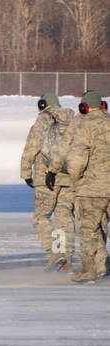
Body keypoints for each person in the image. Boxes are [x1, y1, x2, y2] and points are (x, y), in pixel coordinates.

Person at [53, 91, 110, 283]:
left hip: (92, 188)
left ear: (84, 107)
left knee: (88, 229)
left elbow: (77, 158)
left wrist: (75, 179)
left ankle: (88, 270)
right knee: (102, 227)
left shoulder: (85, 125)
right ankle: (102, 265)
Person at [19, 93, 77, 271]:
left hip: (46, 177)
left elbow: (32, 147)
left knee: (40, 217)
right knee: (64, 217)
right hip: (68, 176)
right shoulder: (73, 121)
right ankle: (65, 258)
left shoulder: (43, 120)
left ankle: (55, 252)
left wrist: (26, 172)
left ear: (42, 105)